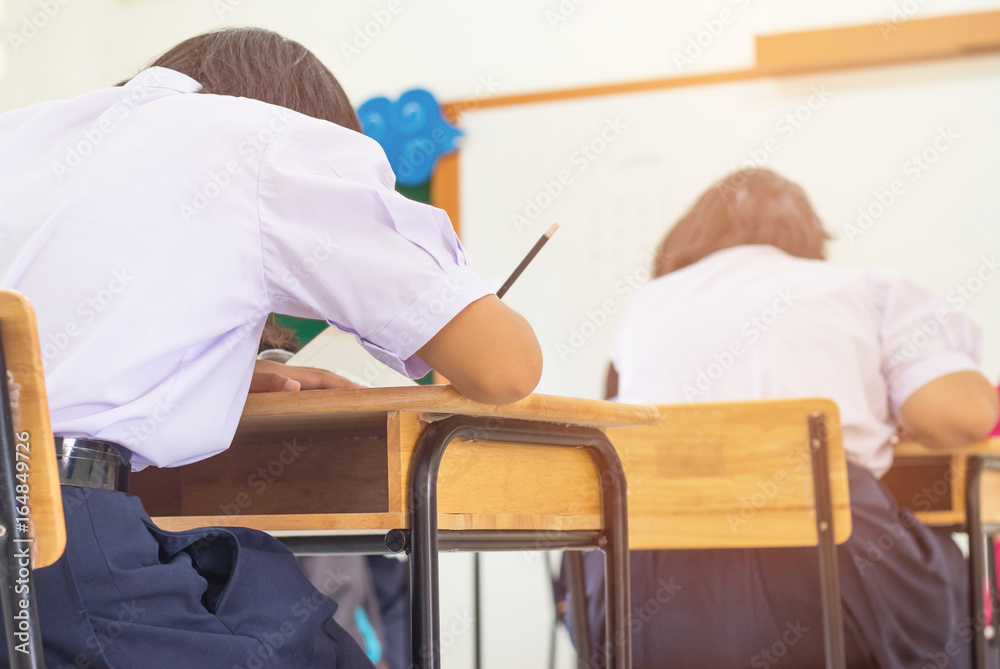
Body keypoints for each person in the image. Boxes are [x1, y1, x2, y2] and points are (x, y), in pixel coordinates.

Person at [0, 28, 542, 668]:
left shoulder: (30, 133)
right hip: (54, 548)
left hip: (40, 545)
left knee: (262, 597)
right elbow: (506, 366)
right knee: (304, 632)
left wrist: (205, 375)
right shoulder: (266, 140)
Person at [581, 168, 999, 668]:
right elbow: (966, 416)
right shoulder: (862, 288)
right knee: (965, 605)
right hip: (829, 570)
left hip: (650, 587)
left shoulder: (647, 303)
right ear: (809, 236)